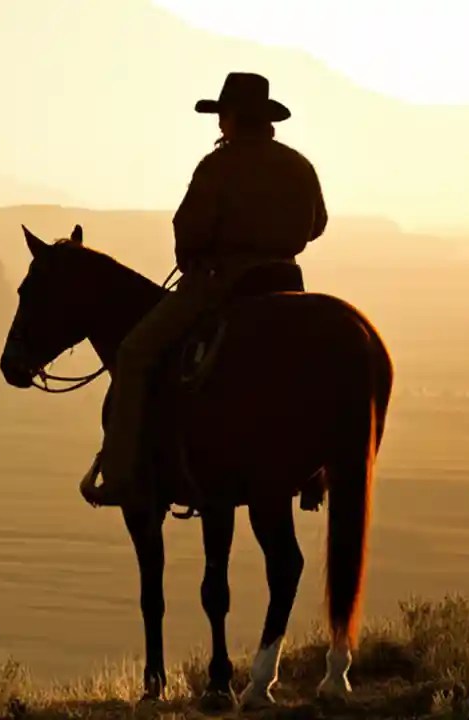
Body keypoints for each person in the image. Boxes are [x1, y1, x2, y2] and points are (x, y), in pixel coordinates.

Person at [83, 71, 328, 508]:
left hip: (226, 284)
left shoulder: (218, 165)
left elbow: (189, 228)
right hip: (287, 282)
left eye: (222, 115)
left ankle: (120, 473)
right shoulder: (298, 164)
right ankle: (316, 473)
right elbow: (318, 226)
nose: (219, 125)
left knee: (135, 353)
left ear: (234, 117)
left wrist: (198, 257)